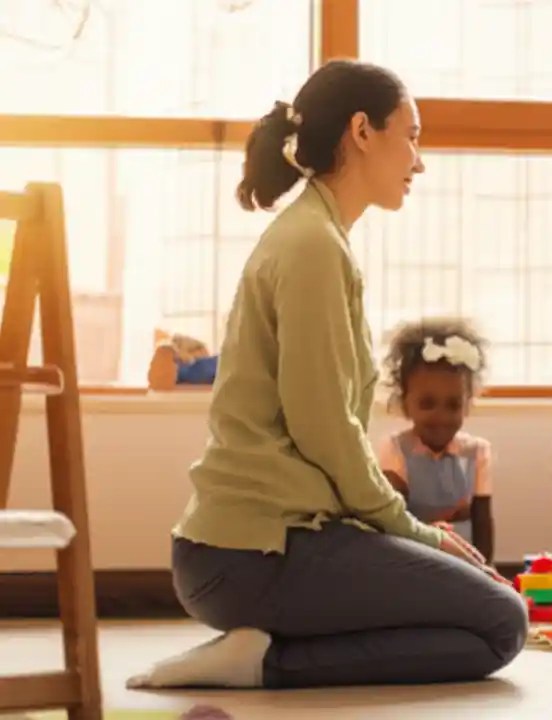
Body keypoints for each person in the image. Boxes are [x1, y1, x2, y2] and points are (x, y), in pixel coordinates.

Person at [127, 59, 527, 690]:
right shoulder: (311, 245)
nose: (418, 160)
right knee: (502, 622)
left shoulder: (318, 236)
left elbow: (322, 429)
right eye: (412, 135)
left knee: (484, 612)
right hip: (251, 555)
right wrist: (414, 531)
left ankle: (262, 649)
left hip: (267, 545)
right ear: (363, 131)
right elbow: (323, 426)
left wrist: (404, 535)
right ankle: (264, 663)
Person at [376, 317, 497, 563]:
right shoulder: (396, 450)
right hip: (413, 561)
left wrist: (488, 571)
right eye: (427, 404)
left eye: (453, 405)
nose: (440, 417)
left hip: (465, 563)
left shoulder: (477, 452)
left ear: (467, 404)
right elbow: (392, 521)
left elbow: (483, 523)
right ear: (406, 403)